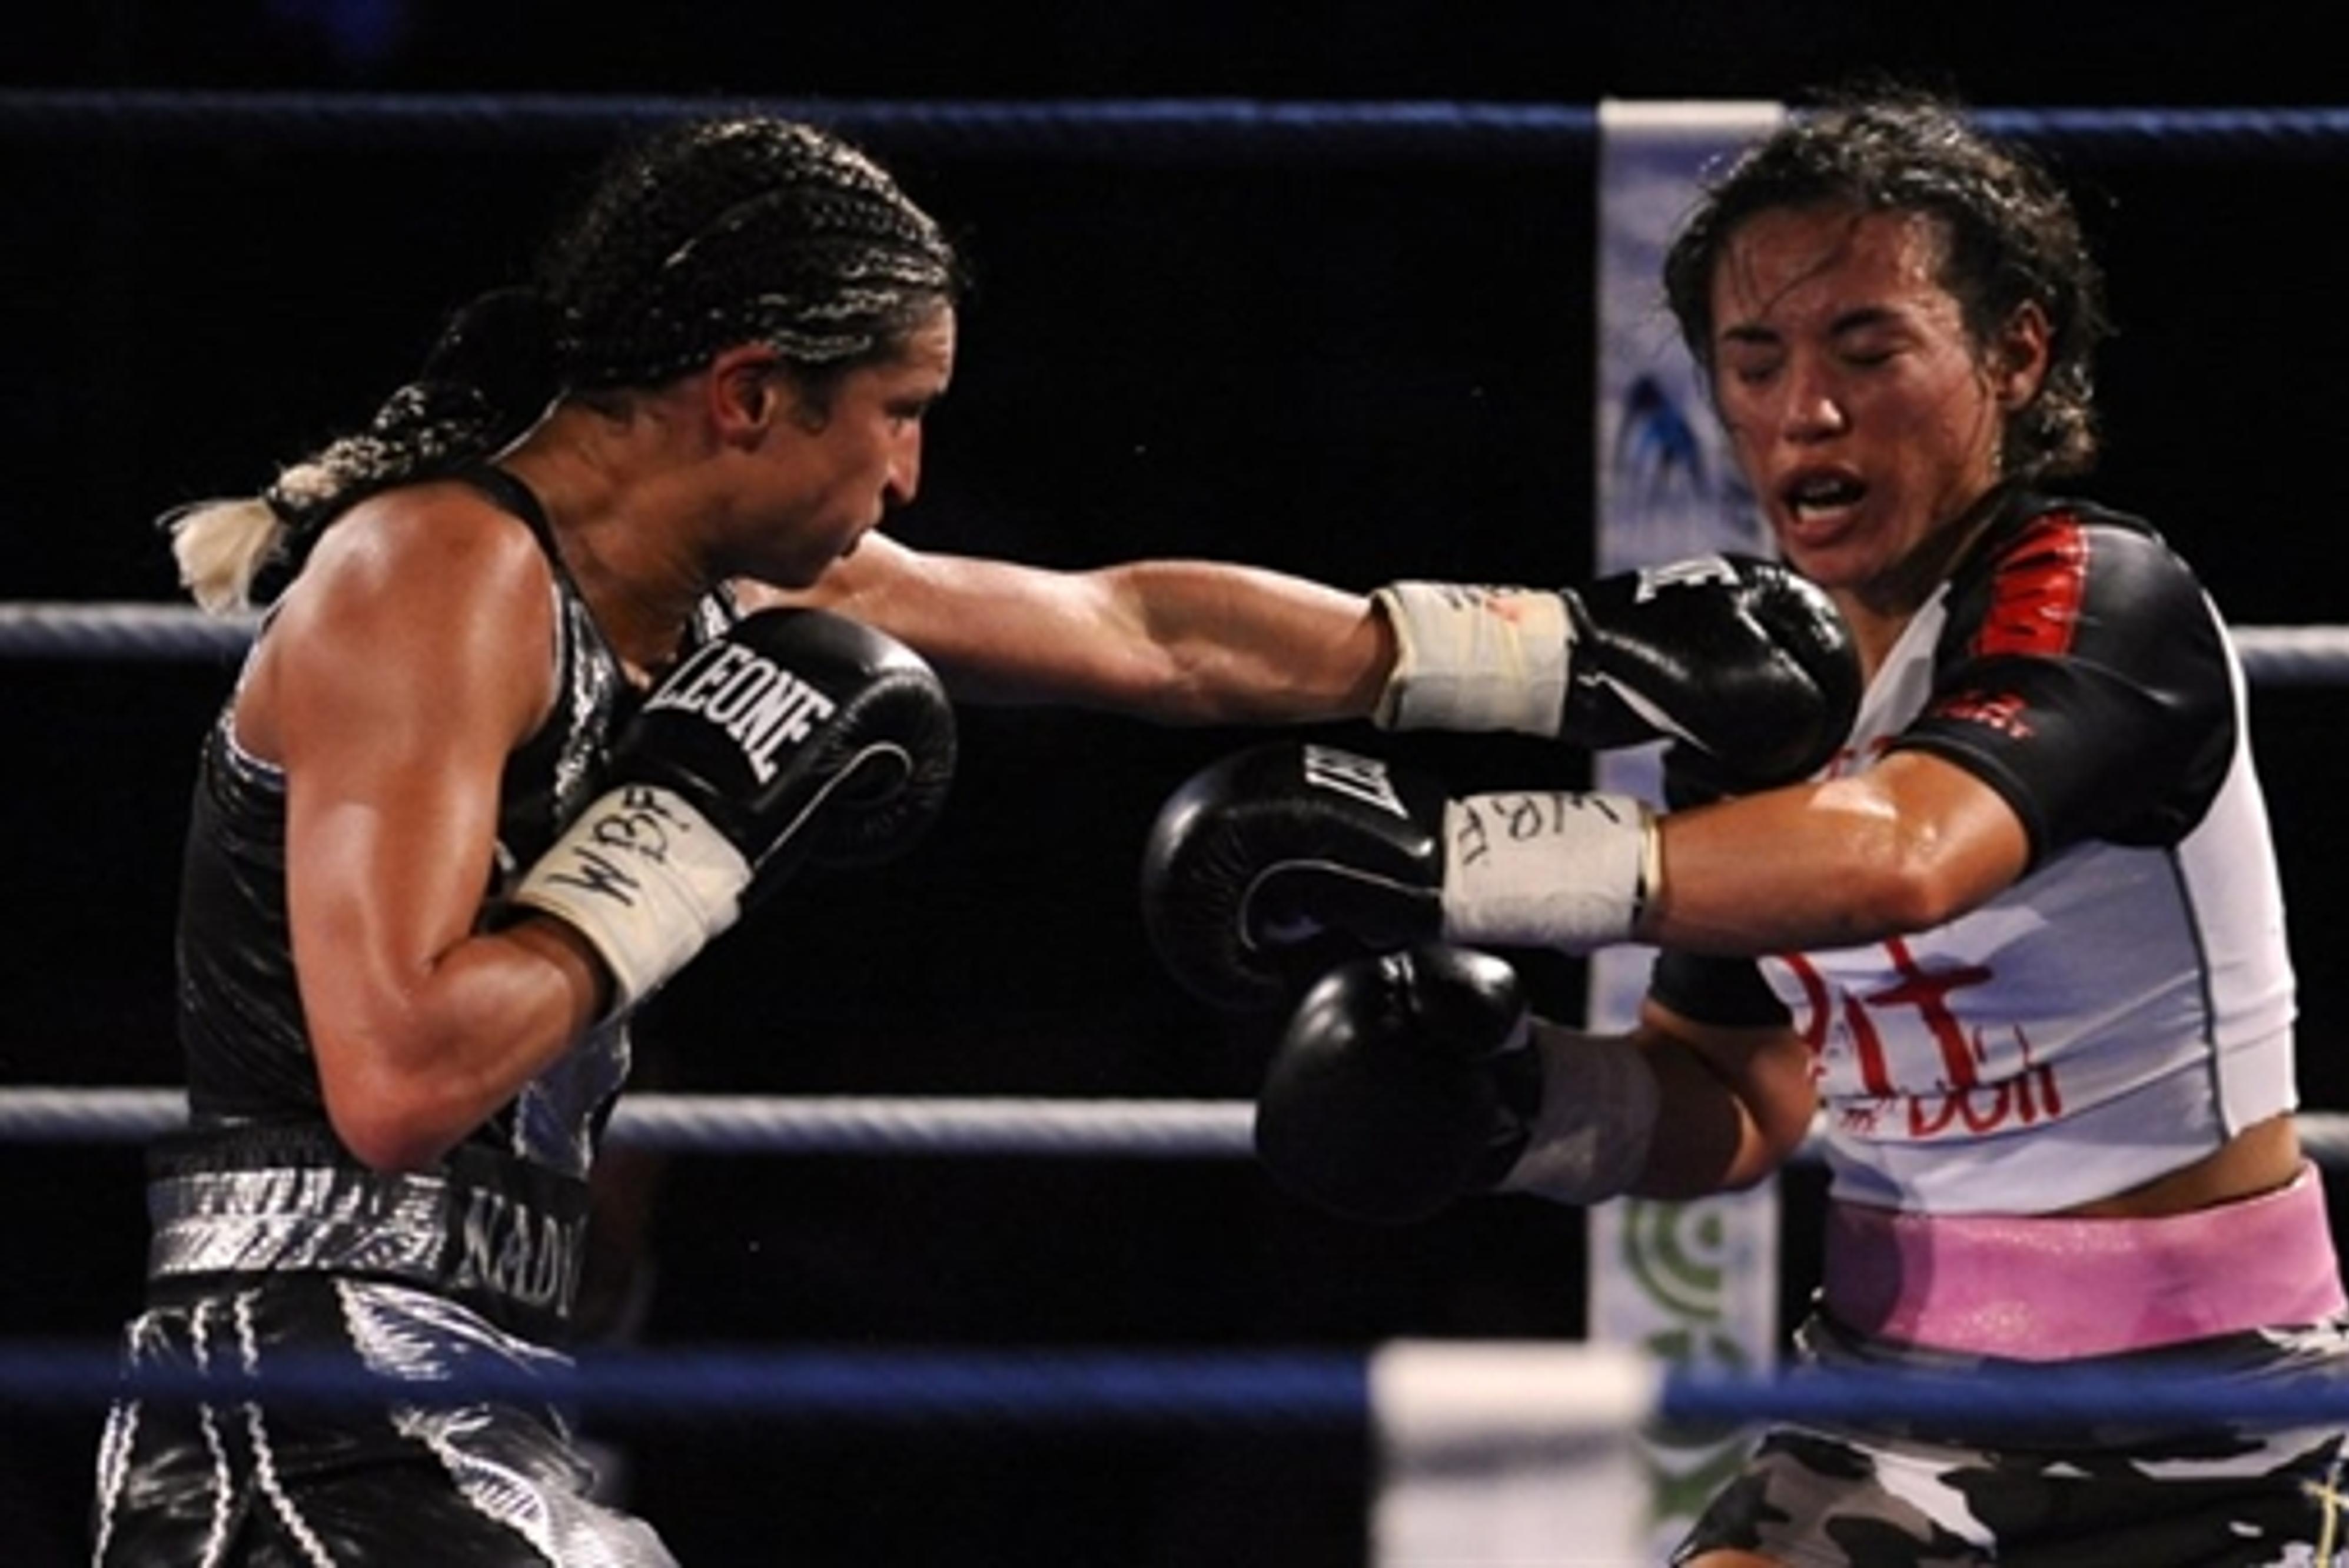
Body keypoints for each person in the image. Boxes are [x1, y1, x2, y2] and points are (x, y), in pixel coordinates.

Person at [94, 111, 1862, 1565]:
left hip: (465, 1392)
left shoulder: (706, 584)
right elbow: (394, 1078)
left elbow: (1145, 636)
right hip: (299, 1414)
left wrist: (1573, 651)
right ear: (748, 394)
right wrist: (692, 818)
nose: (914, 476)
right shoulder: (442, 574)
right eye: (899, 413)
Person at [1140, 91, 2349, 1564]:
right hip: (1886, 1403)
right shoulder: (1758, 688)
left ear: (2014, 355)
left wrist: (1446, 860)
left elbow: (1900, 854)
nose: (1806, 411)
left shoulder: (2101, 595)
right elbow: (1736, 1096)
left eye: (1866, 348)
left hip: (2205, 1423)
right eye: (1753, 358)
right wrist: (1521, 1113)